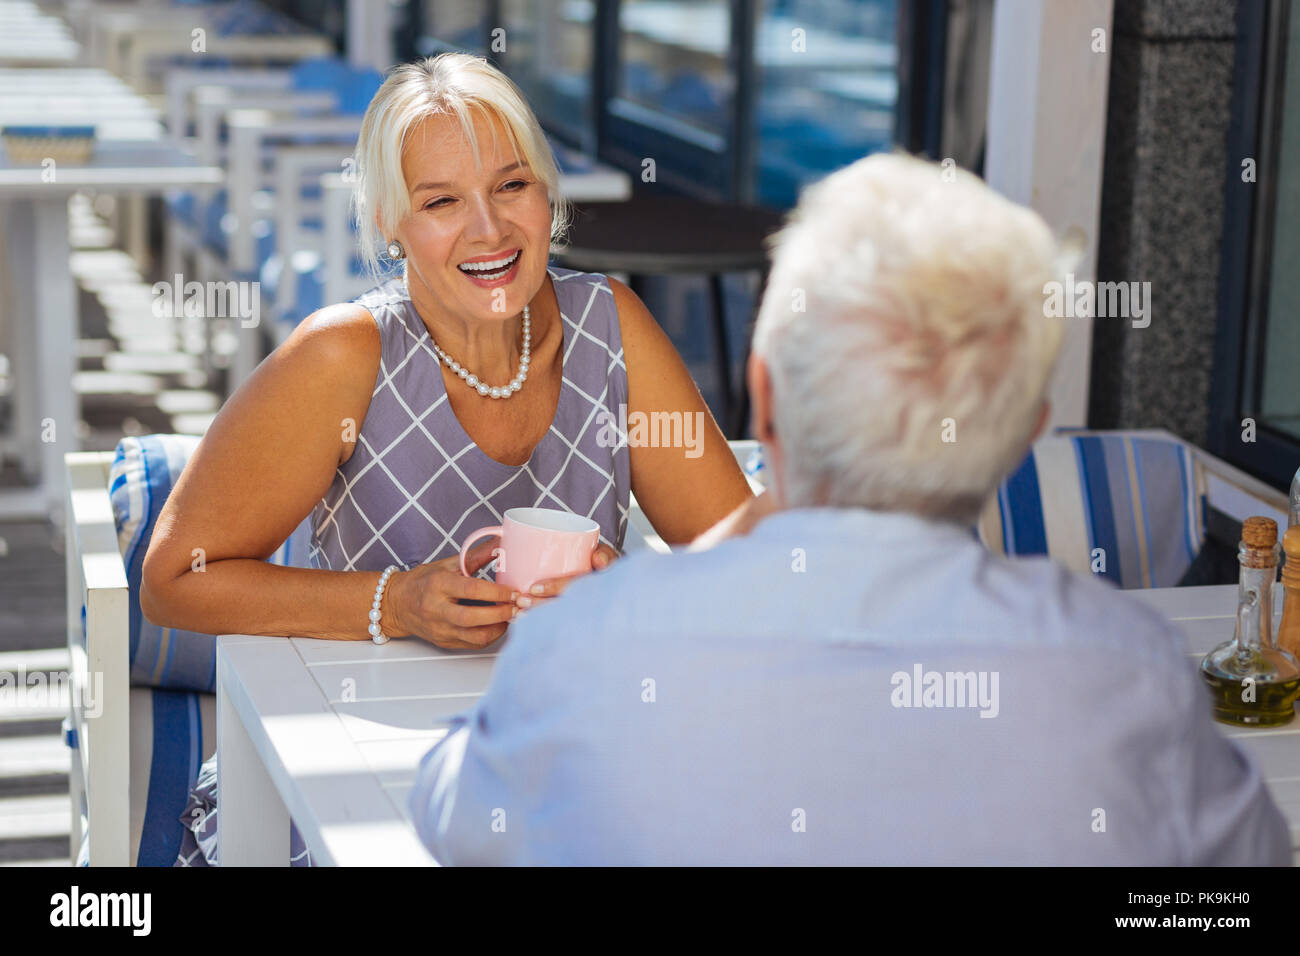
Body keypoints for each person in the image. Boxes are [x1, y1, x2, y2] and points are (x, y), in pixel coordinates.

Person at [407, 152, 1291, 865]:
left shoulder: (593, 644)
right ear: (1026, 437)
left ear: (762, 392)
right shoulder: (1125, 675)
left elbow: (452, 815)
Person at [139, 54, 752, 866]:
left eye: (511, 186)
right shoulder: (344, 356)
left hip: (556, 771)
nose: (489, 229)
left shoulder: (612, 326)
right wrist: (397, 605)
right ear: (392, 222)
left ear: (546, 194)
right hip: (344, 780)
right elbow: (174, 577)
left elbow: (747, 567)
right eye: (440, 202)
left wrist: (626, 592)